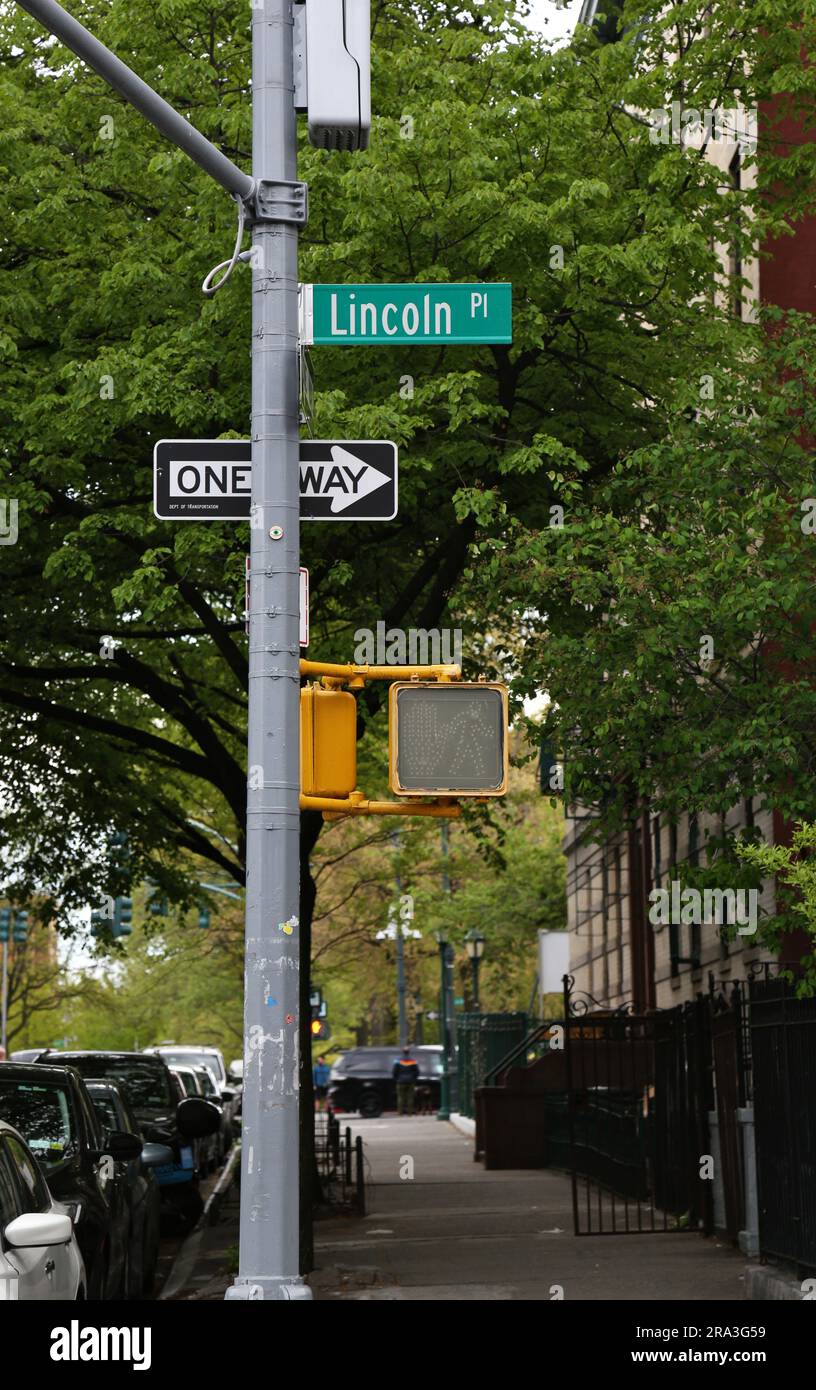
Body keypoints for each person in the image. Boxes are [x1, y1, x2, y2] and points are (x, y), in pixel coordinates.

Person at [392, 1046, 420, 1115]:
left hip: (400, 1081)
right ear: (409, 1052)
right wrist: (414, 1078)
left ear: (403, 1052)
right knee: (410, 1097)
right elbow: (417, 1072)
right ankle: (409, 1113)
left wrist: (396, 1079)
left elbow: (394, 1071)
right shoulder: (413, 1061)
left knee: (400, 1097)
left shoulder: (398, 1060)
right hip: (410, 1081)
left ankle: (400, 1112)